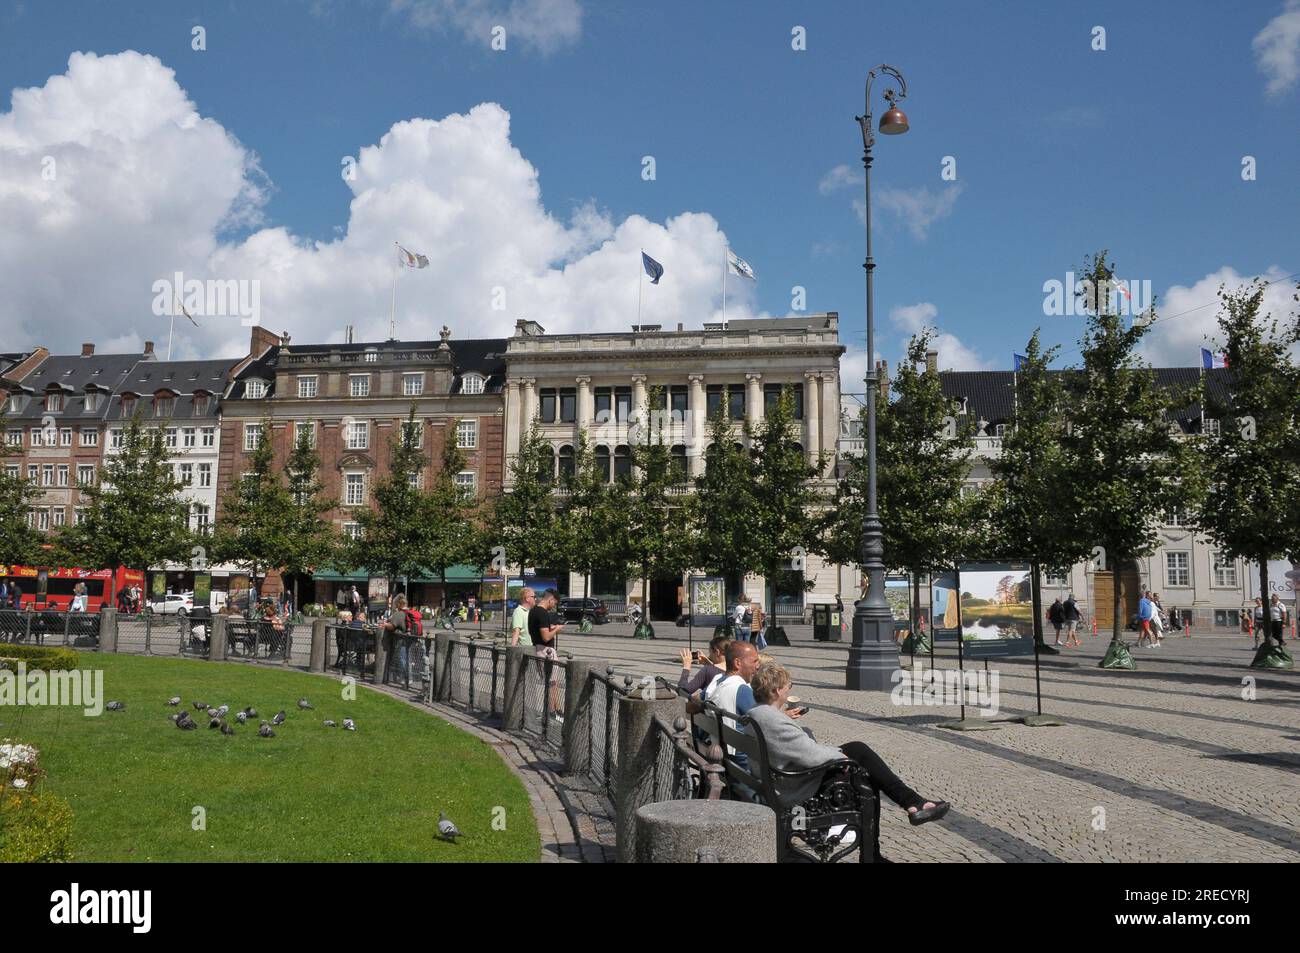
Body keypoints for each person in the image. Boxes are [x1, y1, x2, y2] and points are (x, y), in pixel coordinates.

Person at [748, 662, 950, 862]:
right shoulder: (771, 719)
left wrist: (836, 752)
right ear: (776, 691)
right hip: (795, 790)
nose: (789, 690)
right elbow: (811, 755)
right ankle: (902, 817)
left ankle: (912, 804)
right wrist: (840, 755)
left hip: (780, 782)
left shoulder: (757, 714)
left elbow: (801, 749)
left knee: (857, 753)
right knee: (862, 768)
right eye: (788, 686)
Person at [528, 589, 565, 720]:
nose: (553, 606)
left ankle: (556, 709)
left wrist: (551, 628)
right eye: (554, 603)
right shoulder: (542, 613)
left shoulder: (533, 611)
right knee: (551, 682)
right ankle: (552, 711)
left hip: (538, 648)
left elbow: (539, 632)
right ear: (550, 600)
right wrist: (557, 630)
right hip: (546, 650)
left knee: (552, 682)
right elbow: (545, 637)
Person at [380, 593, 412, 684]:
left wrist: (385, 624)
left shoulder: (399, 614)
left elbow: (392, 626)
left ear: (398, 604)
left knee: (402, 658)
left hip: (401, 639)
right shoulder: (408, 612)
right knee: (406, 657)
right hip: (409, 638)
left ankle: (406, 678)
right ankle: (407, 677)